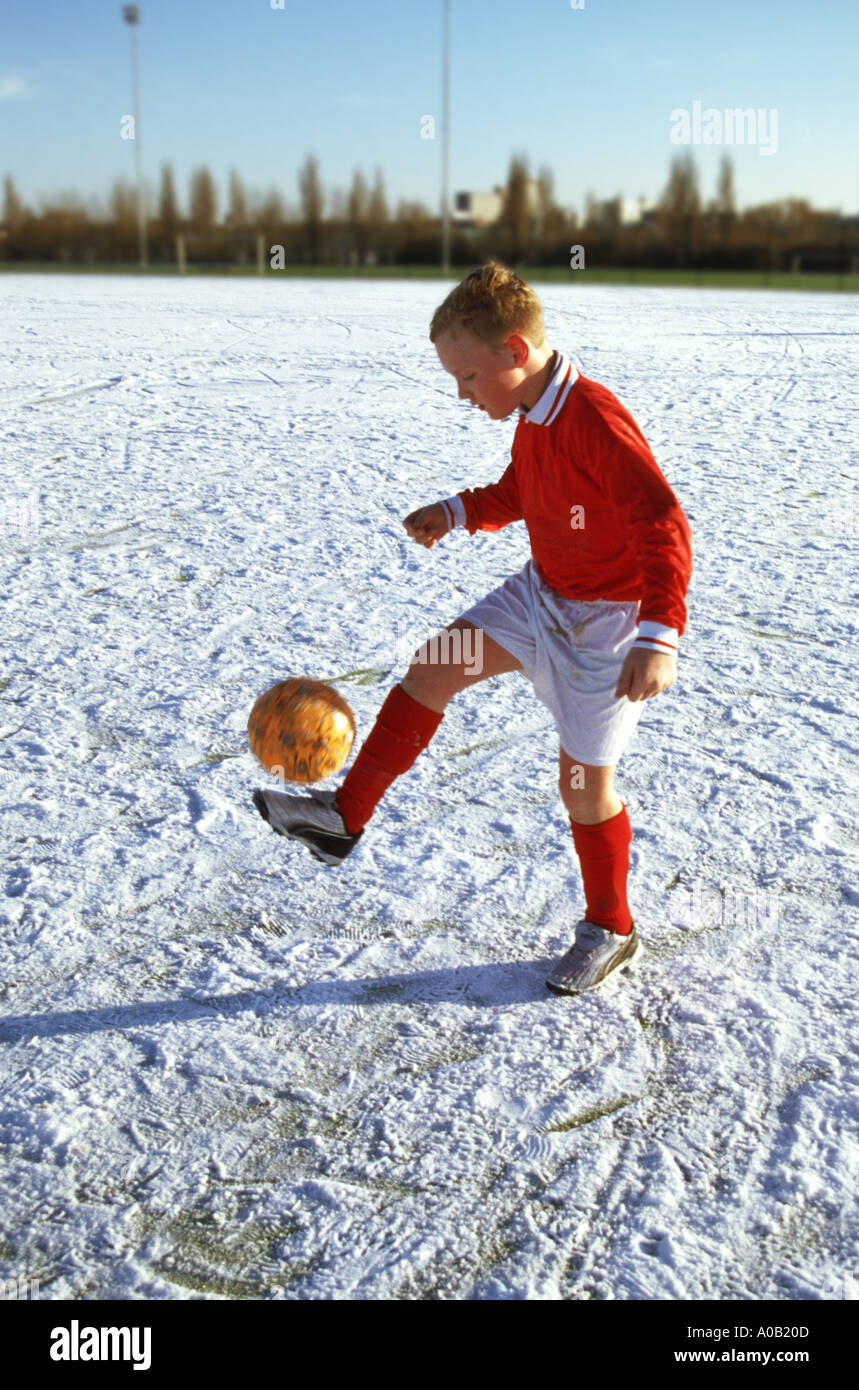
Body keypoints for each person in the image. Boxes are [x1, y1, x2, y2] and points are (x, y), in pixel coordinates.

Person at [253, 263, 693, 995]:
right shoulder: (535, 416)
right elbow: (525, 490)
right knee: (432, 668)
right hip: (538, 596)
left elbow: (659, 520)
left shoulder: (591, 416)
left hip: (606, 626)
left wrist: (658, 634)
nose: (461, 394)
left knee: (582, 789)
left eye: (466, 377)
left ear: (514, 352)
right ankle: (342, 819)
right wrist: (458, 511)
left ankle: (611, 927)